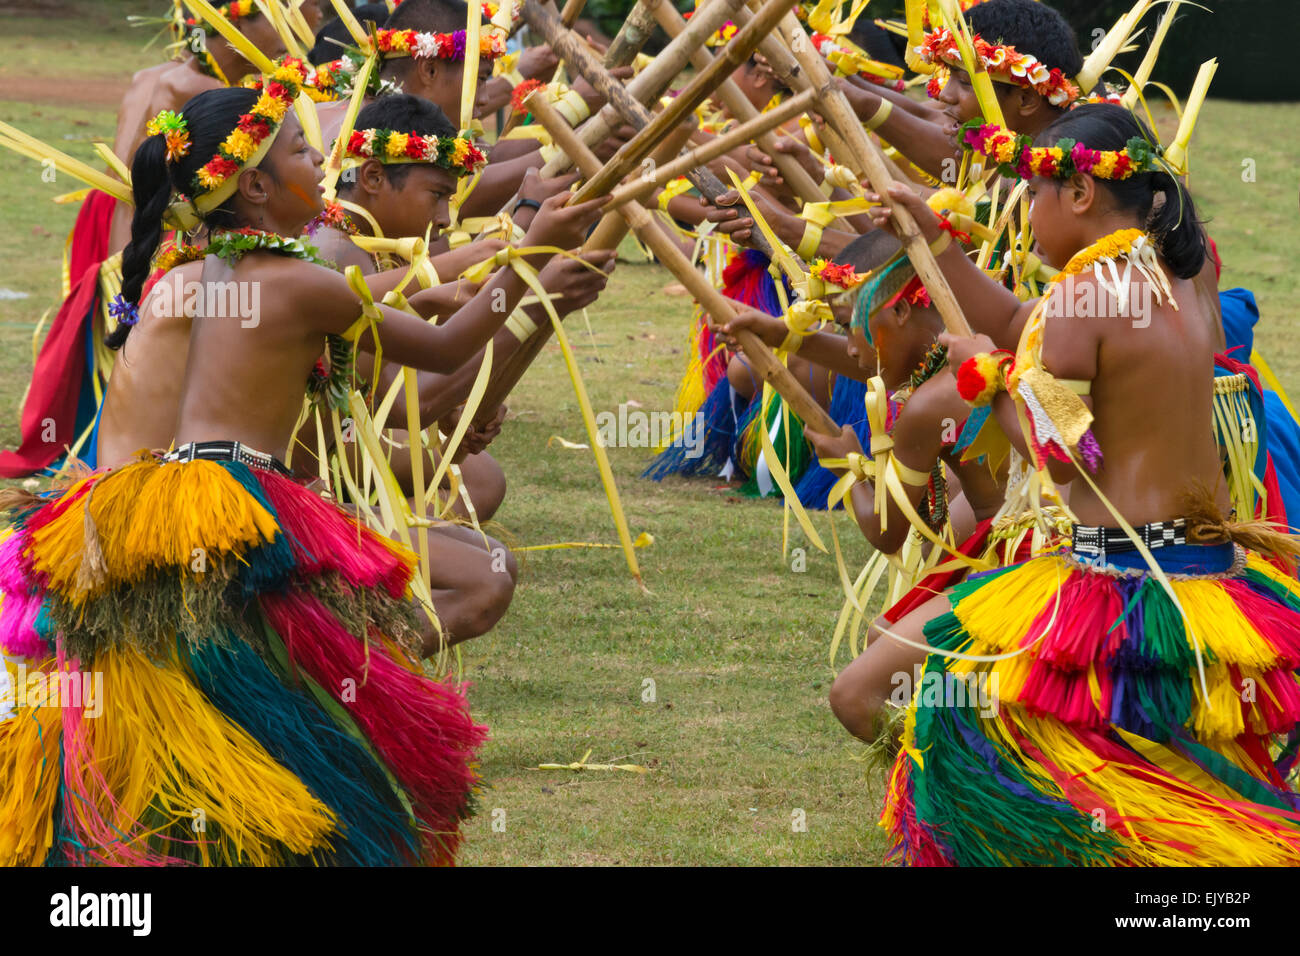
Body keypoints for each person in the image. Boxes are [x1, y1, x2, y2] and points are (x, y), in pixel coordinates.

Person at [0, 73, 605, 866]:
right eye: (299, 149)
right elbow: (441, 338)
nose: (322, 161)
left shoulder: (211, 272)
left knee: (188, 693)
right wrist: (524, 271)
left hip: (174, 503)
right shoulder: (279, 283)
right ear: (252, 186)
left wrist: (511, 251)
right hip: (228, 507)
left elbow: (377, 299)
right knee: (256, 689)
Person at [863, 103, 1300, 865]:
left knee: (956, 726)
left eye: (1032, 194)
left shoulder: (1077, 300)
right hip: (1207, 576)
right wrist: (936, 244)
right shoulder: (1191, 276)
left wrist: (982, 374)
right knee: (1175, 776)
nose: (1026, 214)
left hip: (1118, 581)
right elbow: (1038, 339)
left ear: (1079, 196)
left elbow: (1066, 452)